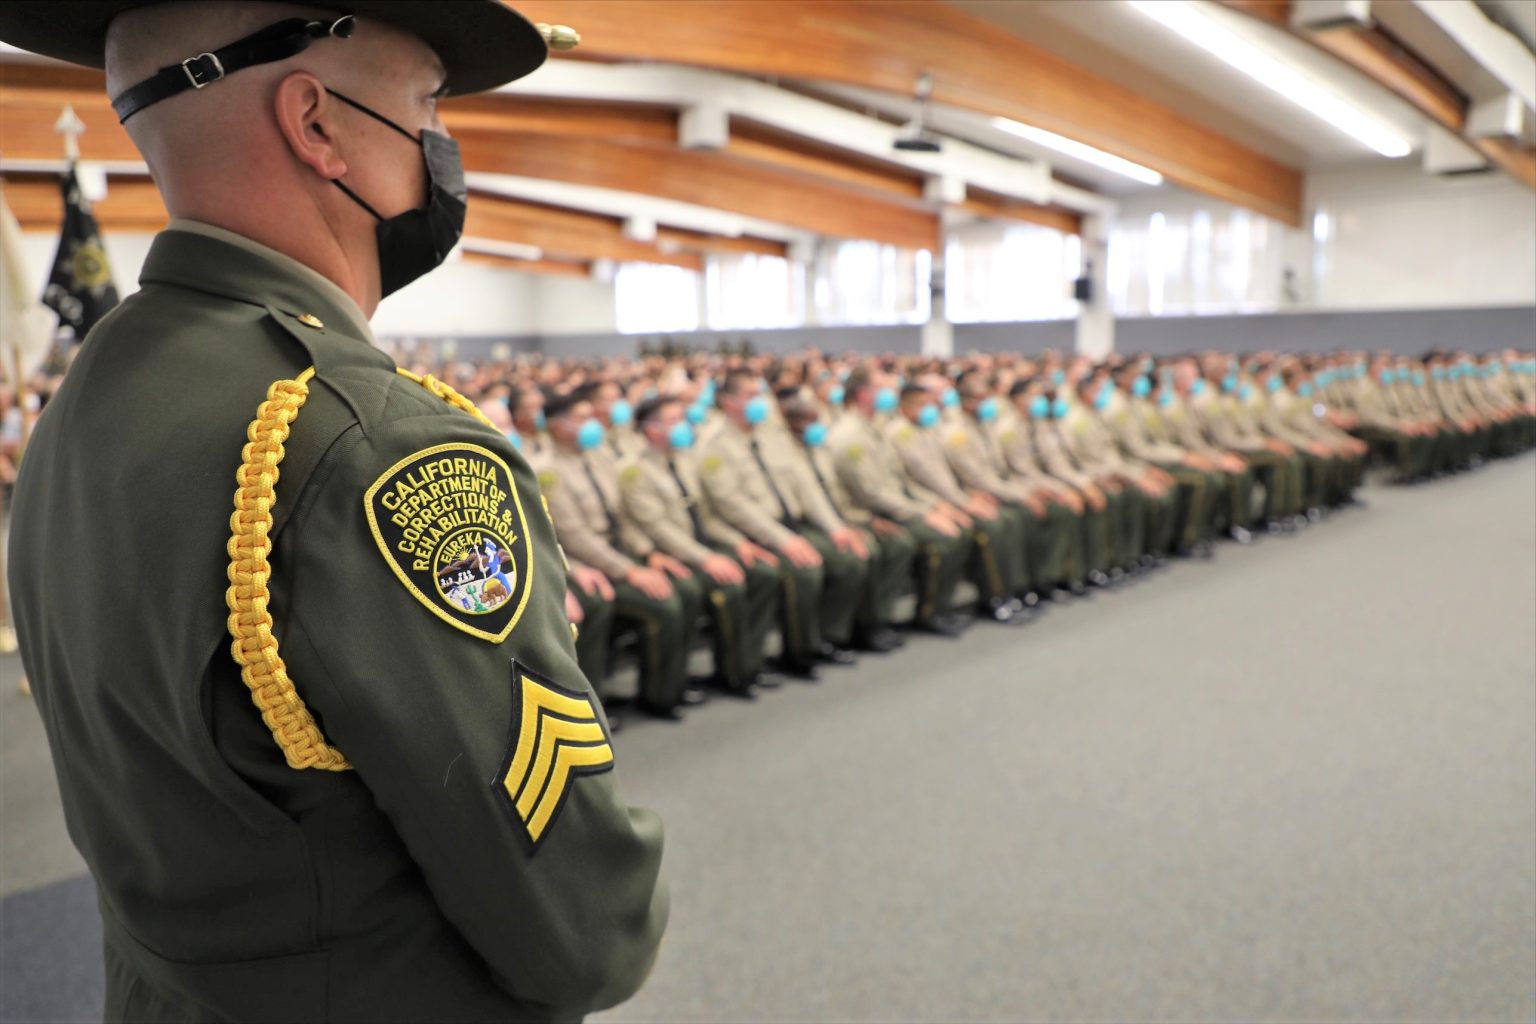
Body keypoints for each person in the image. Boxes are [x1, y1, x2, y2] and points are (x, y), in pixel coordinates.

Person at [1, 4, 667, 1019]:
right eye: (429, 106)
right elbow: (588, 929)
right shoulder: (371, 441)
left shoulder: (91, 391)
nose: (442, 143)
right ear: (315, 124)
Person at [541, 389, 706, 718]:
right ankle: (593, 708)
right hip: (584, 564)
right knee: (657, 604)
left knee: (686, 587)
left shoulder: (599, 458)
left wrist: (647, 553)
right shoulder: (548, 472)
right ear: (557, 426)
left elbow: (623, 518)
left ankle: (666, 690)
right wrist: (630, 571)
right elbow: (576, 537)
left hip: (620, 554)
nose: (593, 423)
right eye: (582, 418)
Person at [620, 395, 779, 696]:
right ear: (652, 430)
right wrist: (706, 559)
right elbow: (660, 530)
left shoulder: (686, 459)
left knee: (763, 573)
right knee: (725, 586)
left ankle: (748, 664)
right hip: (669, 553)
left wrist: (738, 542)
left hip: (701, 546)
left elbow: (706, 517)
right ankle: (728, 674)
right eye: (673, 420)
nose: (683, 425)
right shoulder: (635, 471)